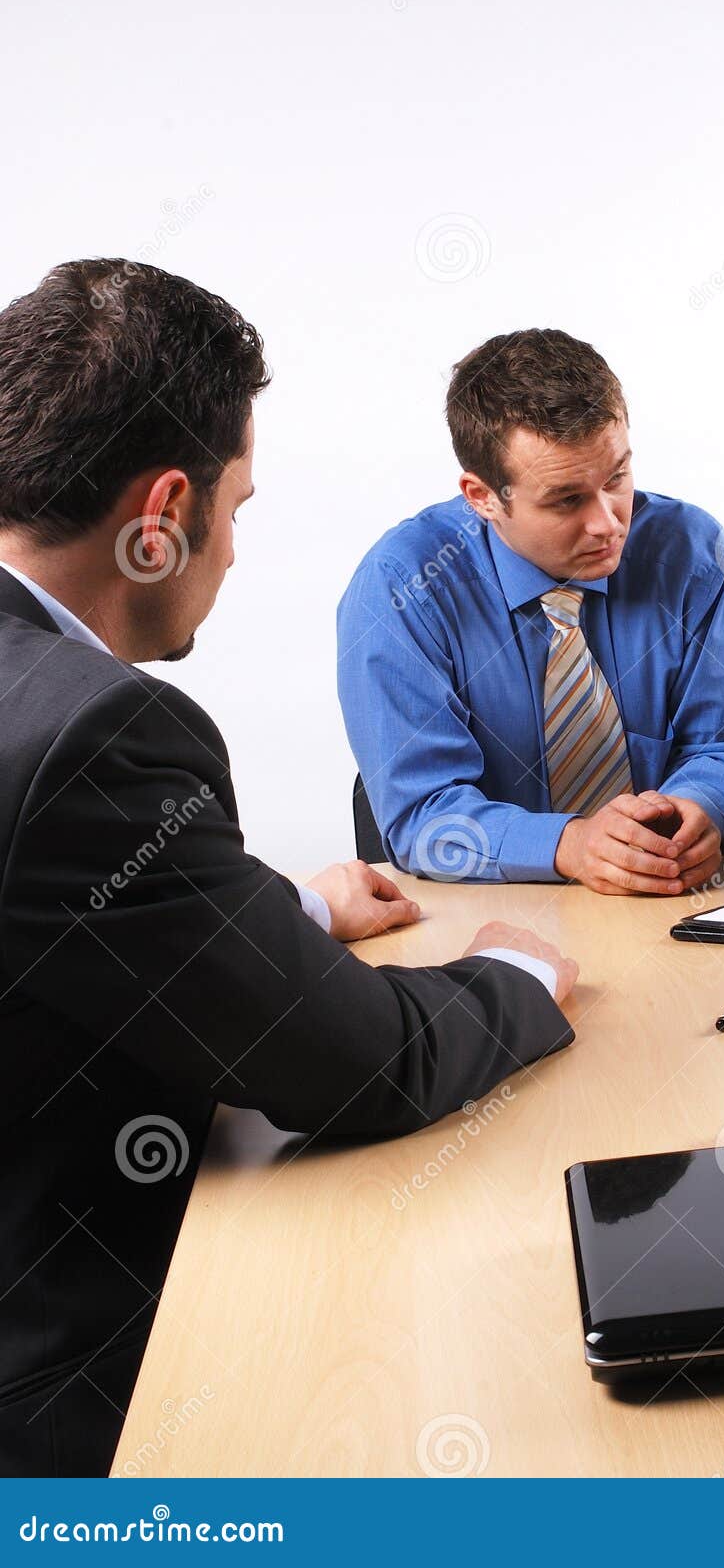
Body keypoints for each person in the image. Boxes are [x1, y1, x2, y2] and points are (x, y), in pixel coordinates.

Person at [0, 259, 577, 1477]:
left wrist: (293, 909)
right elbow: (364, 1065)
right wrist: (514, 976)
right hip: (64, 1392)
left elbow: (58, 914)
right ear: (164, 513)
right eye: (238, 509)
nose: (233, 552)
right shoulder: (89, 732)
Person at [338, 328, 724, 895]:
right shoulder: (402, 589)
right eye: (567, 499)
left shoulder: (693, 555)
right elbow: (423, 812)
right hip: (484, 917)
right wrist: (571, 844)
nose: (608, 522)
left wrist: (700, 807)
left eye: (616, 478)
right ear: (483, 497)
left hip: (662, 905)